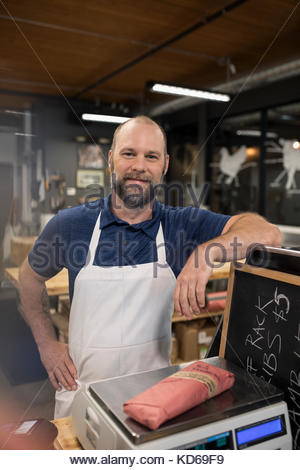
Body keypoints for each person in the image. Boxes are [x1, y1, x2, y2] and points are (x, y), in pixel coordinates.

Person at [18, 116, 281, 418]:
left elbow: (266, 232)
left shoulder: (180, 225)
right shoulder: (71, 225)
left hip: (152, 403)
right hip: (81, 395)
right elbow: (28, 278)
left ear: (165, 165)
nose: (139, 166)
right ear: (110, 159)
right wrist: (46, 343)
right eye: (129, 153)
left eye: (151, 156)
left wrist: (205, 254)